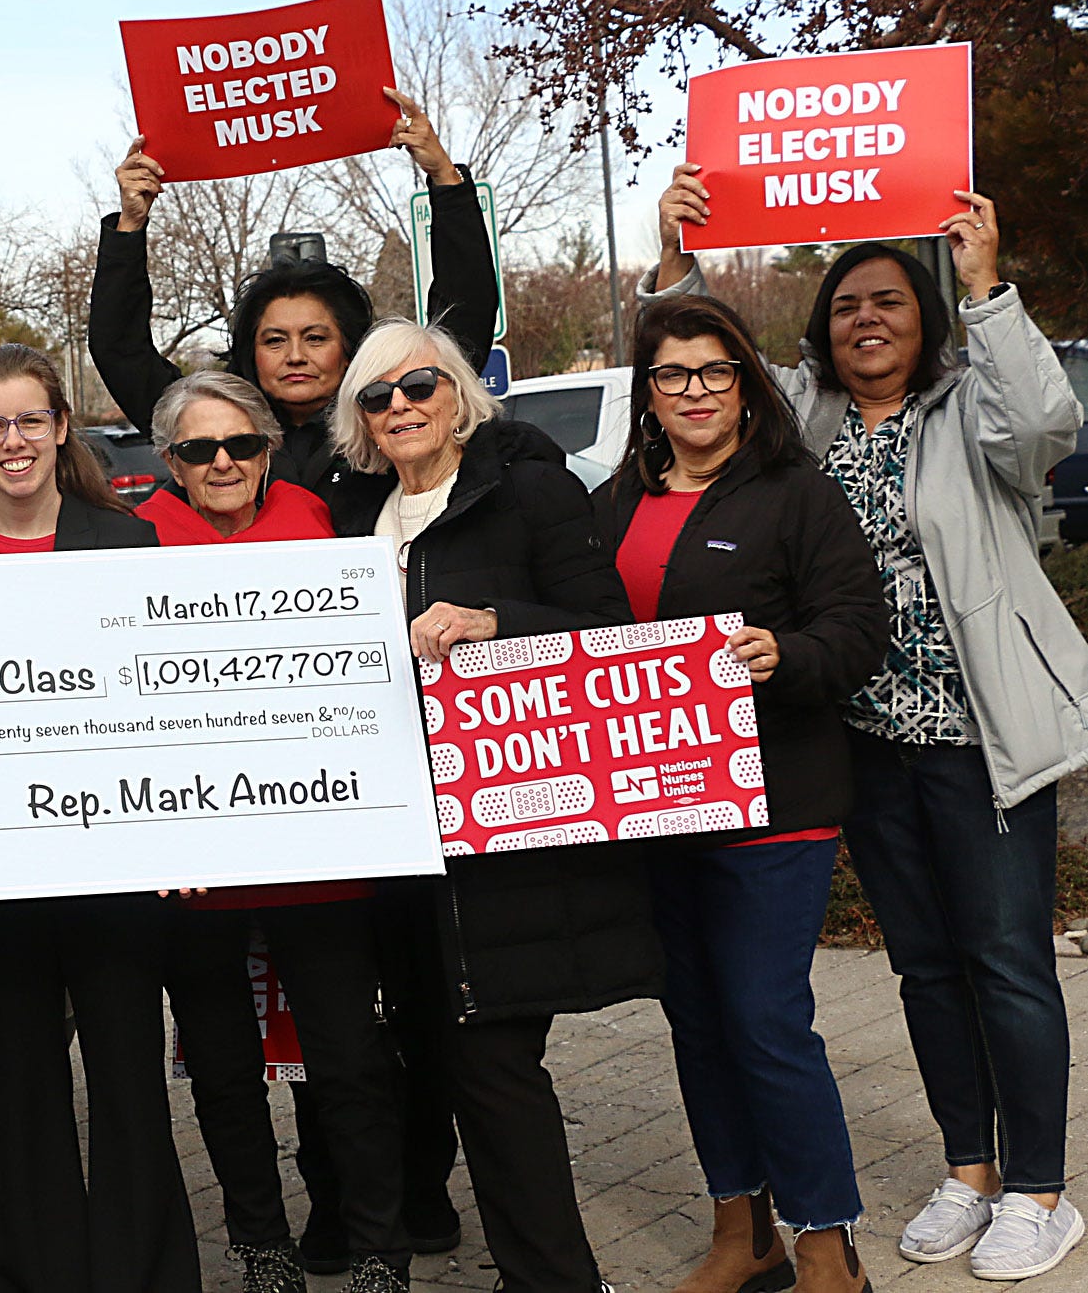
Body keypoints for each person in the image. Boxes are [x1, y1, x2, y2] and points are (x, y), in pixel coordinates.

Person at [651, 177, 1088, 1280]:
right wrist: (679, 261)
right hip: (863, 740)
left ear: (923, 317)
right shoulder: (806, 421)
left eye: (889, 300)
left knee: (1006, 959)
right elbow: (701, 370)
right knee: (925, 966)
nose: (867, 319)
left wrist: (986, 287)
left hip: (979, 735)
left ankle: (1040, 1190)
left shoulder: (971, 408)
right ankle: (969, 1169)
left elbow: (1047, 423)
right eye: (846, 305)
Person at [329, 319, 659, 1293]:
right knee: (437, 1058)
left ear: (459, 392)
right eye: (377, 396)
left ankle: (558, 1278)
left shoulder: (530, 494)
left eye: (419, 385)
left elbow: (607, 632)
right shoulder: (356, 518)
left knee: (493, 1065)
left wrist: (494, 623)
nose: (400, 406)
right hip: (393, 834)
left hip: (500, 832)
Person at [593, 297, 886, 1293]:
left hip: (774, 807)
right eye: (671, 374)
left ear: (746, 382)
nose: (694, 391)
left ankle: (826, 1242)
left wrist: (785, 654)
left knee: (764, 1021)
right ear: (647, 393)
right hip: (653, 806)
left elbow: (857, 629)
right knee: (699, 1022)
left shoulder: (797, 494)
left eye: (714, 370)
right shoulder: (616, 501)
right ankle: (742, 1230)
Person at [0, 343, 189, 1293]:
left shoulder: (125, 543)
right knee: (24, 1094)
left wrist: (179, 836)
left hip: (114, 872)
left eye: (31, 420)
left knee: (128, 1086)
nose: (13, 440)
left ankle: (145, 1276)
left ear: (62, 428)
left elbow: (160, 707)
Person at [135, 371, 409, 1293]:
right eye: (198, 449)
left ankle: (378, 1251)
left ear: (268, 449)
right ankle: (260, 1246)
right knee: (221, 1071)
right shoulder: (132, 541)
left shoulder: (322, 521)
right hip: (195, 864)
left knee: (349, 1062)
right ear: (169, 461)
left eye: (241, 444)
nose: (222, 462)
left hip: (319, 848)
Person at [90, 90, 499, 504]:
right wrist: (129, 227)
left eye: (316, 338)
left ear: (349, 349)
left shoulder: (393, 411)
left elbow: (464, 315)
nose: (296, 356)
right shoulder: (211, 424)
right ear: (251, 352)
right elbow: (119, 350)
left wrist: (445, 179)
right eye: (275, 340)